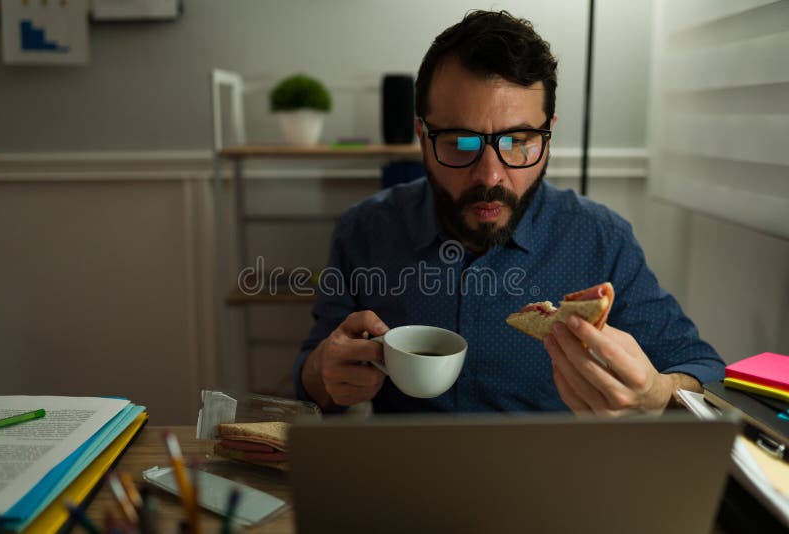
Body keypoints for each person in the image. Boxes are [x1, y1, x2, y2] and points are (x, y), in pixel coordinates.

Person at [293, 10, 724, 414]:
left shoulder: (601, 240)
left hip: (553, 482)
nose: (492, 176)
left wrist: (655, 393)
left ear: (549, 134)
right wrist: (326, 374)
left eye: (519, 141)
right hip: (404, 480)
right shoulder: (365, 230)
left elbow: (702, 369)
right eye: (460, 142)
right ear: (422, 136)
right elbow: (310, 379)